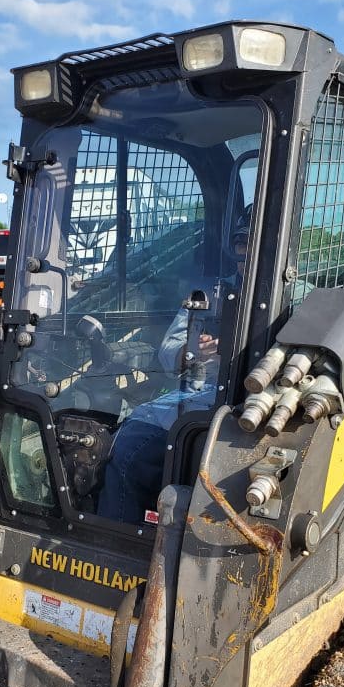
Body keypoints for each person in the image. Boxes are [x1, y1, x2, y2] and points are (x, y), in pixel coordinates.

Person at [96, 223, 248, 524]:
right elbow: (170, 350)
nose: (244, 253)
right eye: (240, 243)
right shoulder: (208, 294)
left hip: (250, 400)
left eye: (251, 243)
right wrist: (192, 351)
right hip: (202, 393)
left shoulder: (297, 297)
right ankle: (120, 532)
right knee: (127, 444)